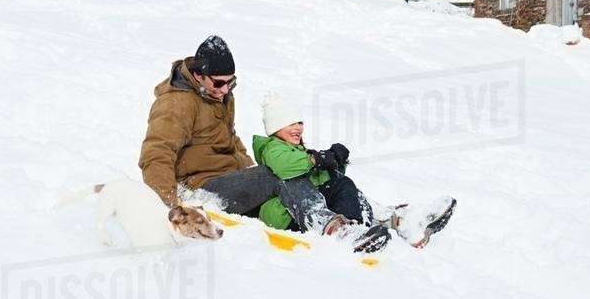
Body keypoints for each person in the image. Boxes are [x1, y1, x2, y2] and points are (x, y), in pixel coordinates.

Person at [138, 35, 378, 248]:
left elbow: (230, 141)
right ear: (198, 75)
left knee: (295, 178)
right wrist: (171, 206)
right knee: (276, 173)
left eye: (230, 82)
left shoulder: (218, 96)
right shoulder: (175, 103)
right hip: (201, 188)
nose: (225, 90)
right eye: (219, 83)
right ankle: (330, 228)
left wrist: (250, 175)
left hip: (228, 179)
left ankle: (358, 222)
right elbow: (156, 154)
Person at [254, 94, 456, 250]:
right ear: (275, 128)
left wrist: (335, 164)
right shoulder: (271, 148)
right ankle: (349, 231)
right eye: (290, 123)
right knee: (341, 187)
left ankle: (399, 221)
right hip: (285, 213)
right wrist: (316, 159)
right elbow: (283, 166)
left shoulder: (296, 150)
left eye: (300, 122)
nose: (298, 127)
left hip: (302, 208)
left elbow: (317, 178)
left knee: (343, 185)